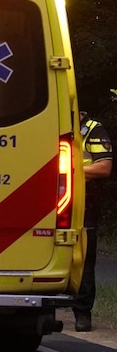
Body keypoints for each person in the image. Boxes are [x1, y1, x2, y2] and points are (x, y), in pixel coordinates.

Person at [75, 109, 113, 332]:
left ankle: (82, 313)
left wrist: (69, 171)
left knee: (85, 259)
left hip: (85, 202)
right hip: (53, 200)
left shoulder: (93, 129)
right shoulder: (54, 126)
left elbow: (104, 167)